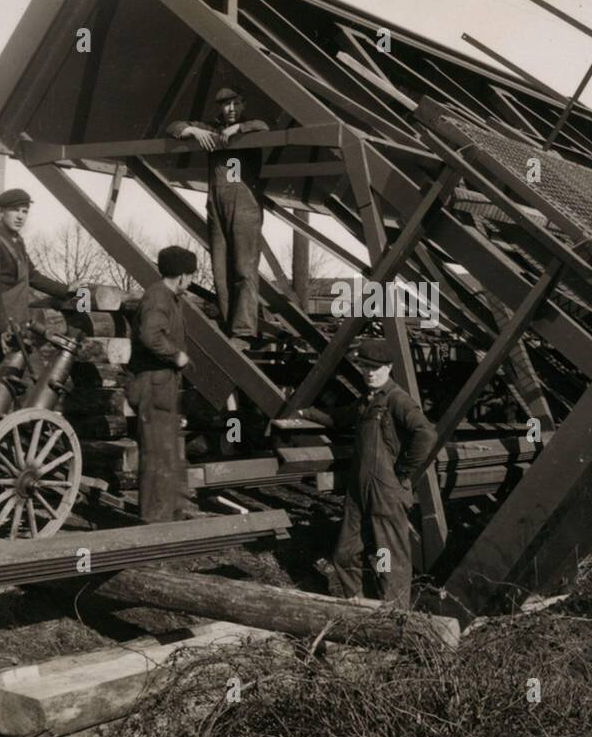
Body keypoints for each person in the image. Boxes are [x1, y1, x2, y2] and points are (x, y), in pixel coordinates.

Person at [283, 339, 436, 606]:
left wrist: (403, 471)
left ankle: (395, 616)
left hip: (386, 493)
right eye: (365, 366)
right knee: (344, 552)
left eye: (376, 368)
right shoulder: (367, 400)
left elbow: (426, 434)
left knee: (388, 557)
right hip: (359, 492)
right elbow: (339, 419)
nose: (369, 373)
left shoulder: (397, 400)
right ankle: (358, 606)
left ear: (389, 367)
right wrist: (306, 411)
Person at [167, 87, 270, 347]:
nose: (231, 109)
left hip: (245, 206)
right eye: (225, 105)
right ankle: (229, 327)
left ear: (243, 104)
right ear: (219, 108)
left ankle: (244, 331)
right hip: (216, 204)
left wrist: (239, 130)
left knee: (244, 269)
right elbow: (175, 126)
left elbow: (264, 126)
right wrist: (194, 131)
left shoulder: (250, 126)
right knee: (220, 270)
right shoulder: (211, 130)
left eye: (236, 104)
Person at [0, 188, 80, 397]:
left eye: (25, 211)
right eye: (15, 211)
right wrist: (2, 328)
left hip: (16, 327)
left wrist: (66, 290)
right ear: (2, 212)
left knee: (29, 384)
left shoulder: (16, 241)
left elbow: (33, 275)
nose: (21, 216)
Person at [126, 245, 196, 523]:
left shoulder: (167, 297)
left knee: (165, 449)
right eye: (190, 276)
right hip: (153, 381)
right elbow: (150, 335)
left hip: (161, 382)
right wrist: (176, 354)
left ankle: (165, 513)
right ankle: (154, 521)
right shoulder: (159, 298)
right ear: (180, 275)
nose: (190, 282)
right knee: (156, 451)